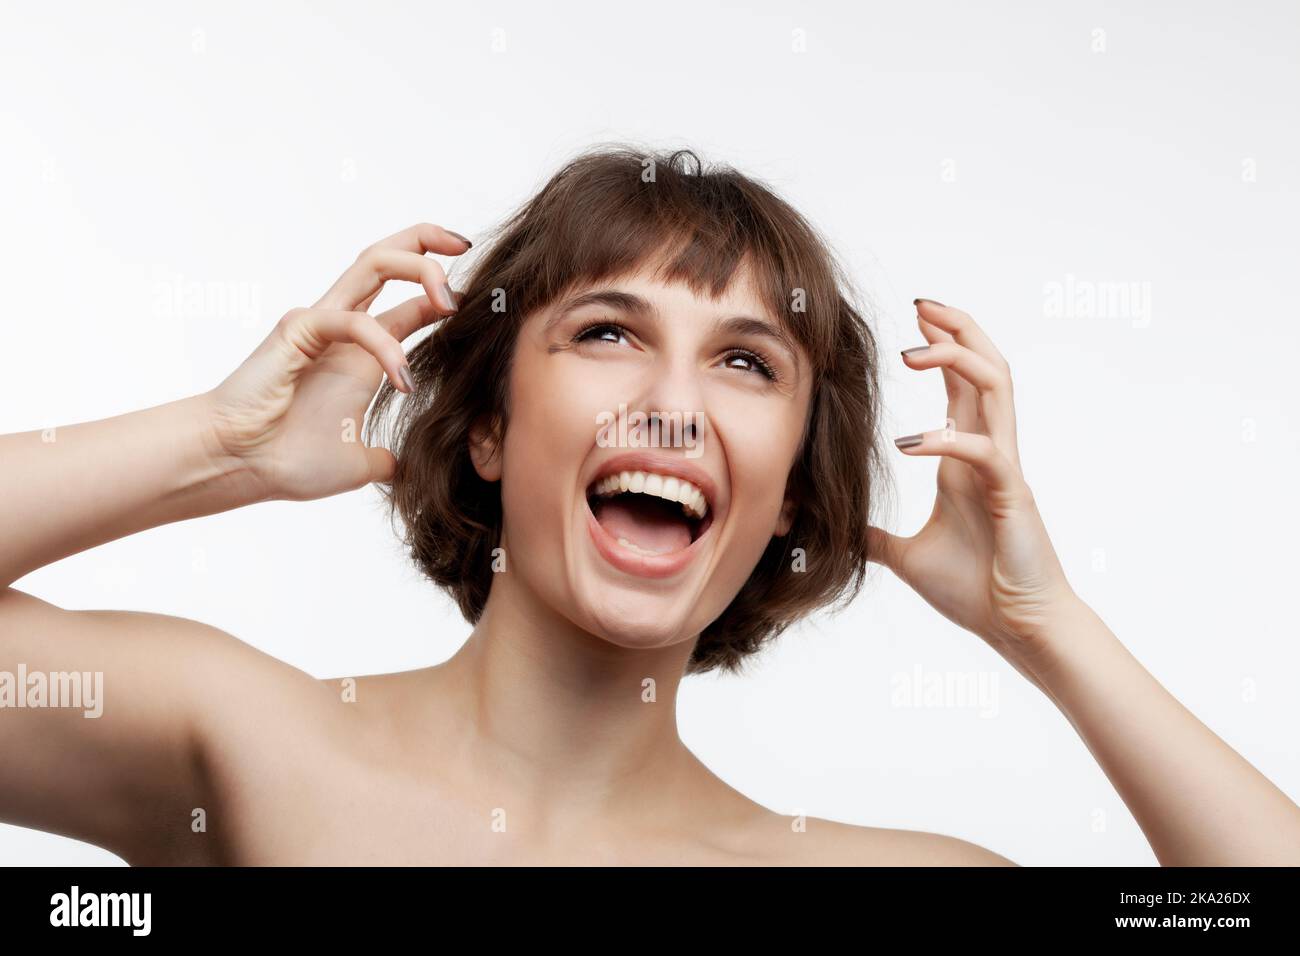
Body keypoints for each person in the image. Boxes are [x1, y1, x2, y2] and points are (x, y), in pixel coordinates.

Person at [2, 146, 1297, 865]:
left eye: (746, 361)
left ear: (794, 488)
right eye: (611, 333)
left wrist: (1044, 626)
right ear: (494, 425)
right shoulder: (245, 746)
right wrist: (223, 449)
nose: (676, 408)